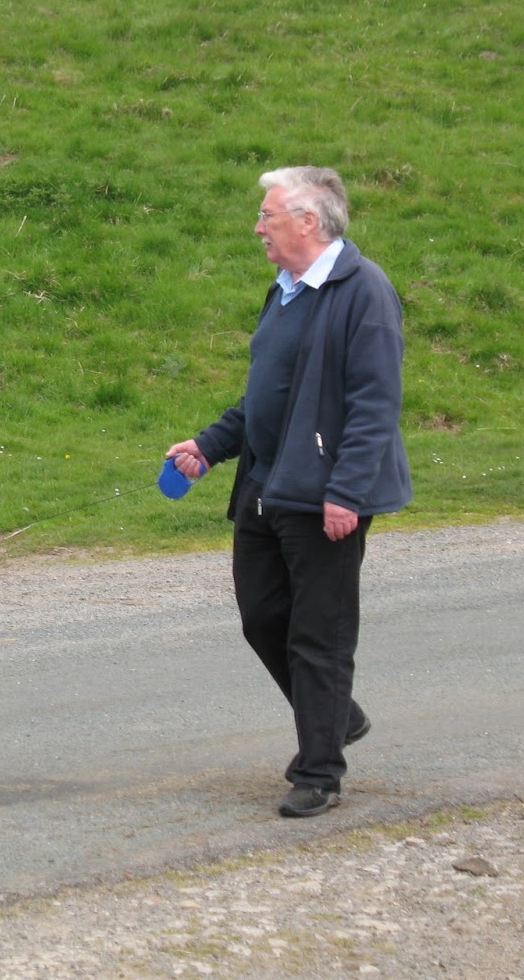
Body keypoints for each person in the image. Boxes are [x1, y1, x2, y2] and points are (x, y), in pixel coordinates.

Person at [165, 166, 411, 819]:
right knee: (263, 618)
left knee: (318, 634)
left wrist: (348, 491)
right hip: (265, 486)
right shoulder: (285, 291)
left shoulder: (365, 292)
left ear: (308, 221)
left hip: (324, 493)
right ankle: (336, 715)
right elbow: (266, 394)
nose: (258, 226)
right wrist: (209, 446)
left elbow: (374, 404)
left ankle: (320, 772)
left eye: (267, 215)